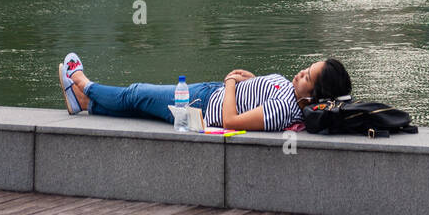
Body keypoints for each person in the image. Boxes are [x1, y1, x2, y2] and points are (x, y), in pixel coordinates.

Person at [58, 52, 351, 132]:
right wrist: (251, 79)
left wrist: (231, 84)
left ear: (313, 96)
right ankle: (84, 103)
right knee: (139, 110)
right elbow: (259, 94)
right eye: (306, 68)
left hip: (202, 105)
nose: (300, 73)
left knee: (136, 94)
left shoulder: (283, 109)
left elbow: (231, 121)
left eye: (306, 77)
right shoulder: (289, 92)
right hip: (210, 93)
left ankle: (83, 83)